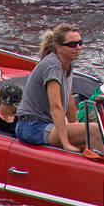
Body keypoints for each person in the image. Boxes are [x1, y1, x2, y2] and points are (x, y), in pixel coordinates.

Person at [15, 23, 90, 152]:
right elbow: (56, 106)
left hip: (46, 125)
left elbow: (69, 100)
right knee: (93, 130)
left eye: (80, 43)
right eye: (72, 44)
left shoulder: (67, 65)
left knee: (87, 137)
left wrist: (76, 125)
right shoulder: (53, 66)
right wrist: (65, 143)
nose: (78, 47)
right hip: (31, 127)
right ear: (58, 48)